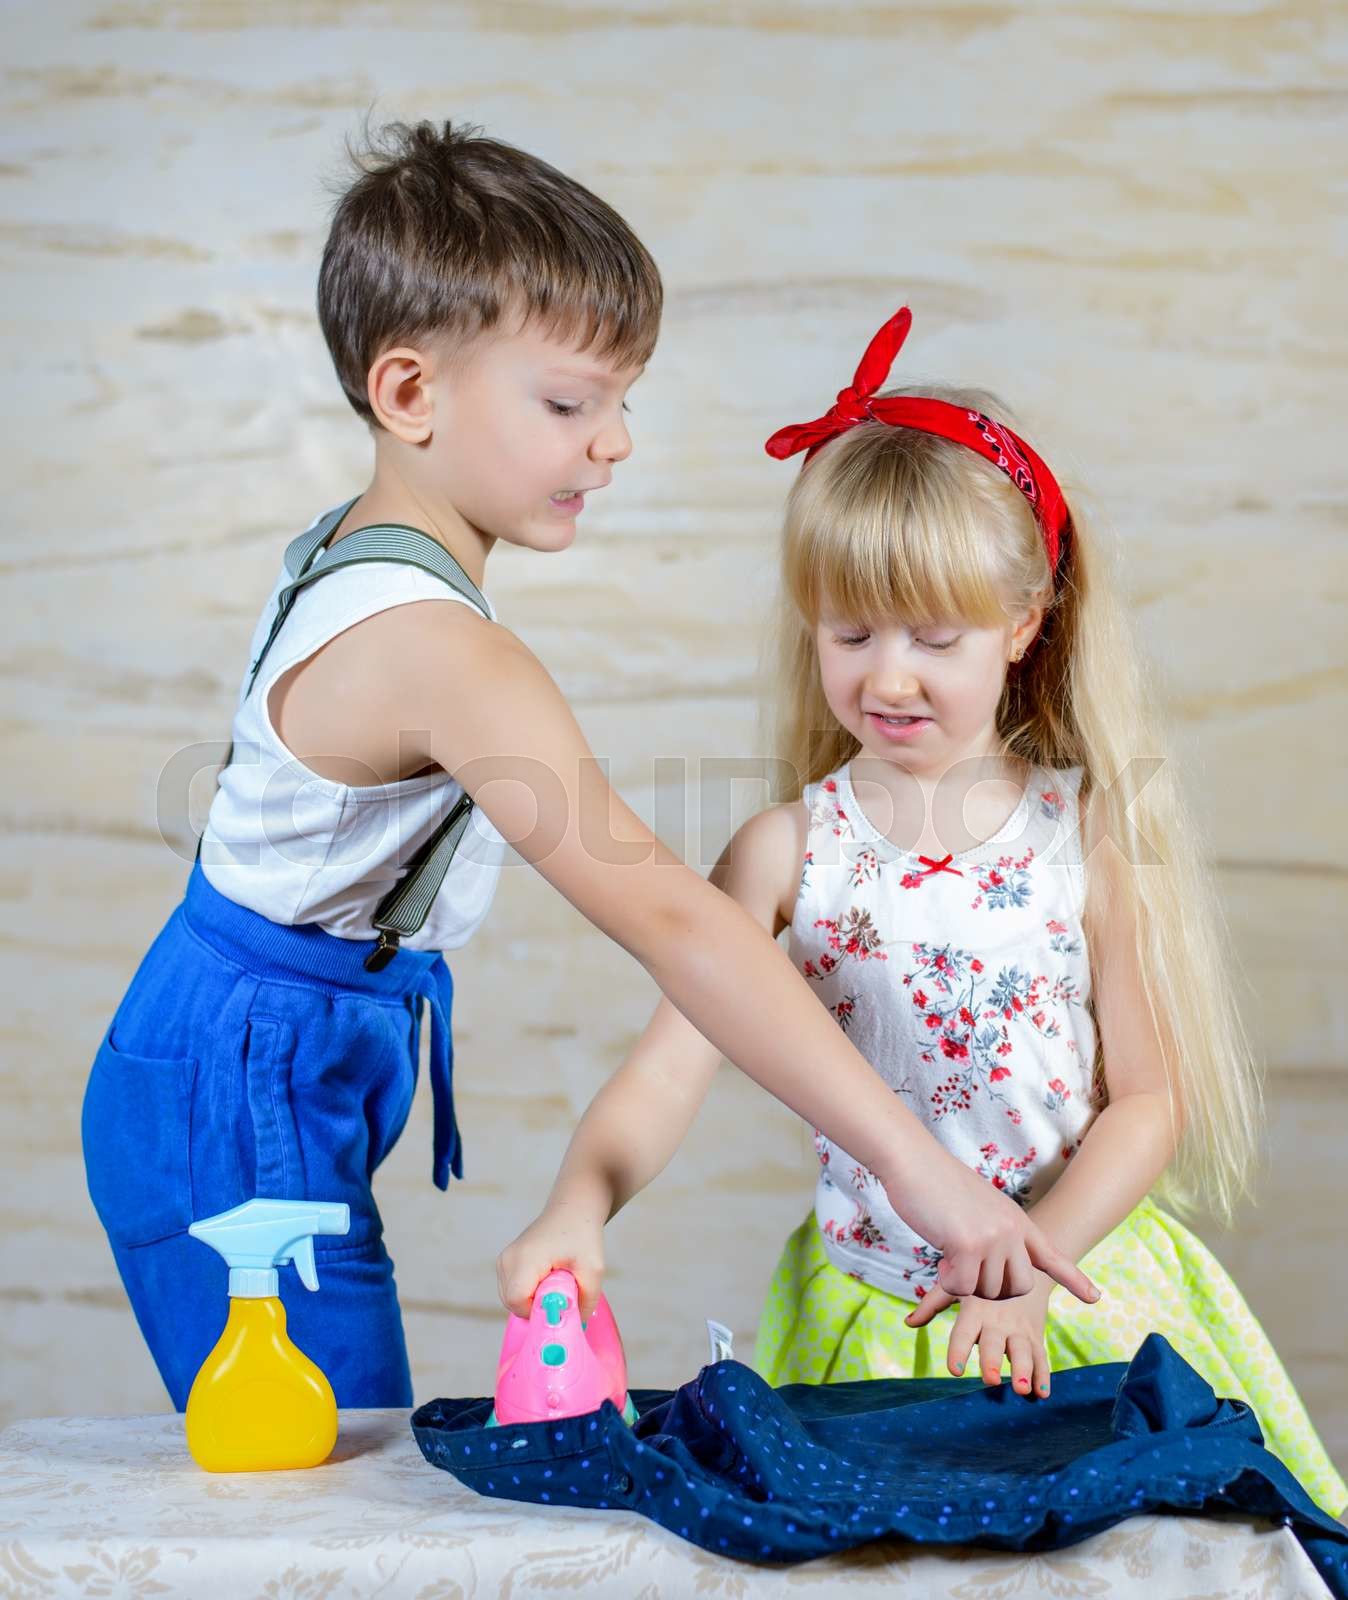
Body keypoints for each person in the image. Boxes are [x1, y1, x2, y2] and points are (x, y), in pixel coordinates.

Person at [81, 137, 1094, 1413]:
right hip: (236, 1075)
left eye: (623, 401)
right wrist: (922, 1170)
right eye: (568, 404)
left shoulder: (374, 561)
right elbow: (682, 925)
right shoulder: (441, 649)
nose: (612, 443)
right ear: (409, 393)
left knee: (335, 1438)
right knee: (324, 1465)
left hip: (270, 1044)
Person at [499, 307, 1347, 1515]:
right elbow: (665, 1070)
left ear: (1023, 622)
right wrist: (575, 1203)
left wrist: (1032, 1269)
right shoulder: (789, 854)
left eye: (933, 637)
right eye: (850, 632)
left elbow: (1148, 1097)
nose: (886, 676)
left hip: (1080, 1298)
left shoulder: (1087, 834)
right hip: (876, 1322)